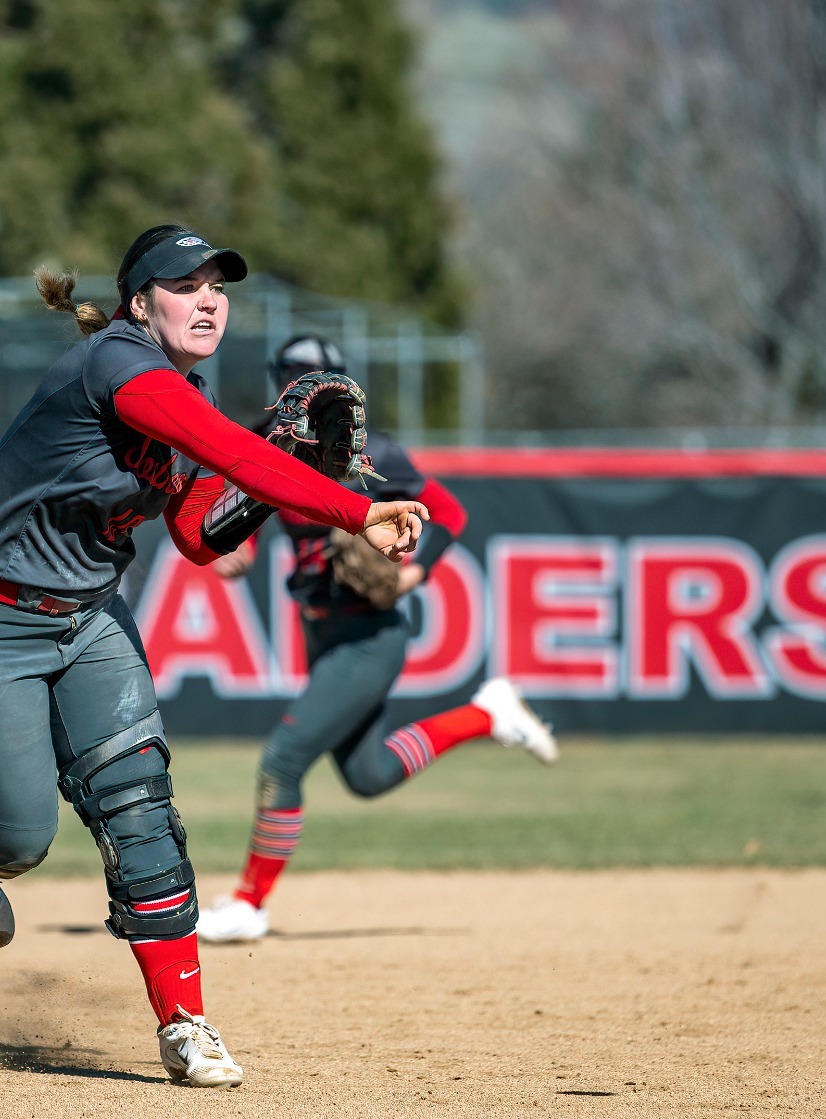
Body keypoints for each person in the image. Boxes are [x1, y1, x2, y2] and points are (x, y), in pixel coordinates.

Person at [0, 227, 428, 1088]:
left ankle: (185, 1023)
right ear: (138, 303)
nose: (209, 297)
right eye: (184, 284)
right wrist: (347, 506)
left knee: (140, 806)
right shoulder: (114, 365)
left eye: (218, 285)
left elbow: (197, 533)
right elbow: (225, 450)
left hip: (88, 620)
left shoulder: (184, 391)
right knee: (21, 835)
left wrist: (282, 459)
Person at [195, 336, 558, 945]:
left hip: (370, 635)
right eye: (288, 374)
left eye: (310, 375)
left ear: (340, 384)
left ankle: (249, 903)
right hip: (324, 634)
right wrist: (239, 550)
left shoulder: (377, 452)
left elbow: (450, 514)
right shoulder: (271, 446)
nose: (299, 386)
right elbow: (247, 517)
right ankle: (484, 715)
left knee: (283, 760)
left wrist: (415, 573)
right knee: (367, 775)